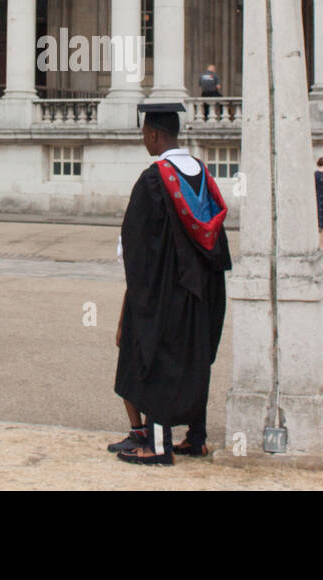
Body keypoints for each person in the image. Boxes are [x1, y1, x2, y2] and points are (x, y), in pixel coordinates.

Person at [113, 102, 231, 464]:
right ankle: (196, 438)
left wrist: (137, 294)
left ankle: (157, 446)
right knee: (195, 359)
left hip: (166, 289)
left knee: (159, 356)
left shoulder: (154, 178)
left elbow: (134, 244)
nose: (145, 140)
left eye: (145, 135)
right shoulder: (200, 172)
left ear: (153, 134)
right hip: (204, 288)